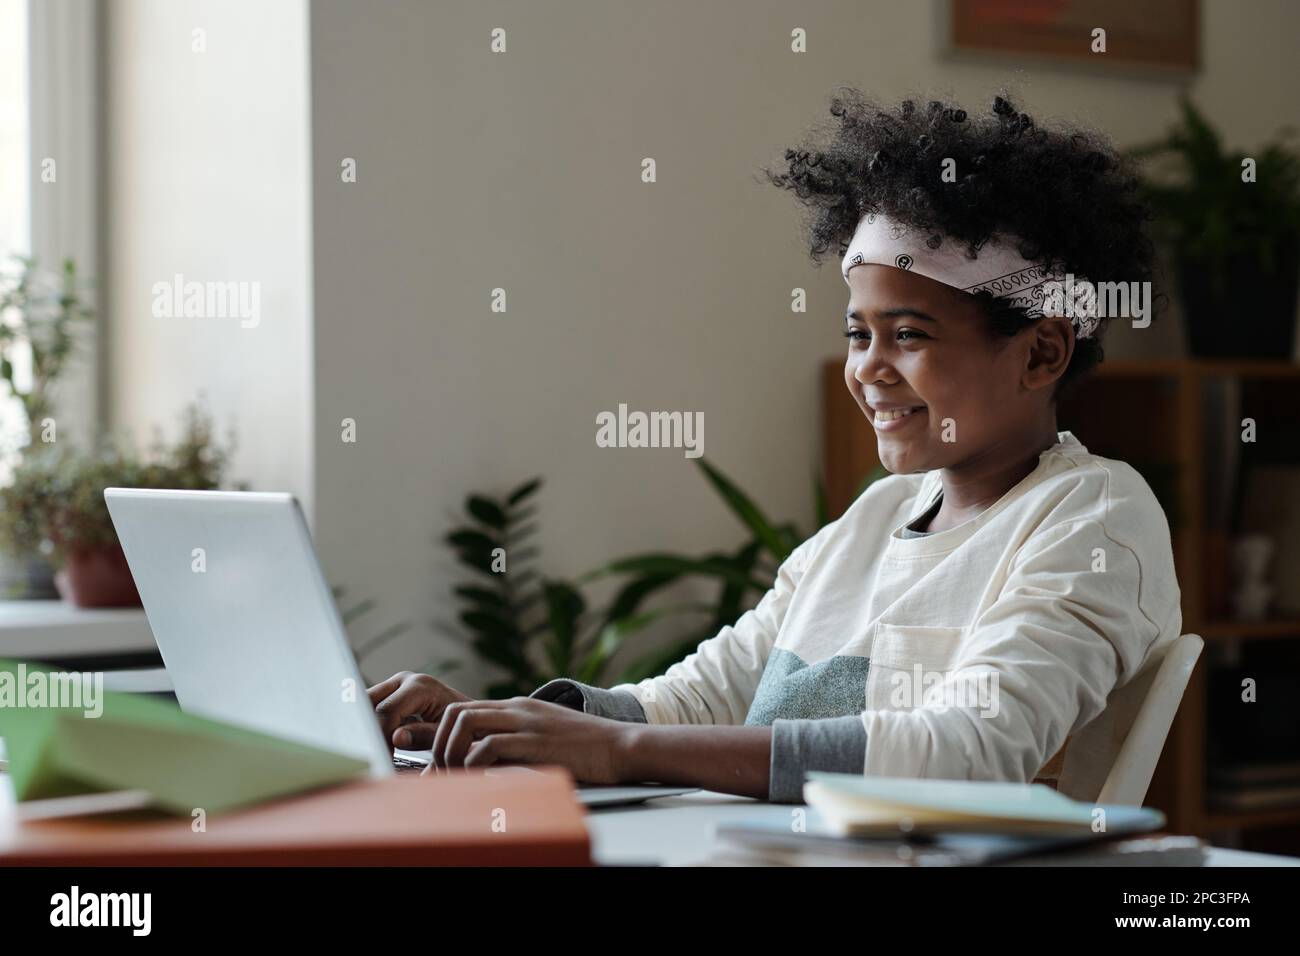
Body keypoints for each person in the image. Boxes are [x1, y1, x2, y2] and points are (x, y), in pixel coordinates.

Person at [368, 90, 1181, 803]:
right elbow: (700, 700)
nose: (868, 369)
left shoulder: (1094, 518)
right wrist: (493, 725)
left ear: (1041, 353)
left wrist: (622, 752)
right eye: (858, 332)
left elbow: (971, 752)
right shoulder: (880, 515)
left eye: (908, 334)